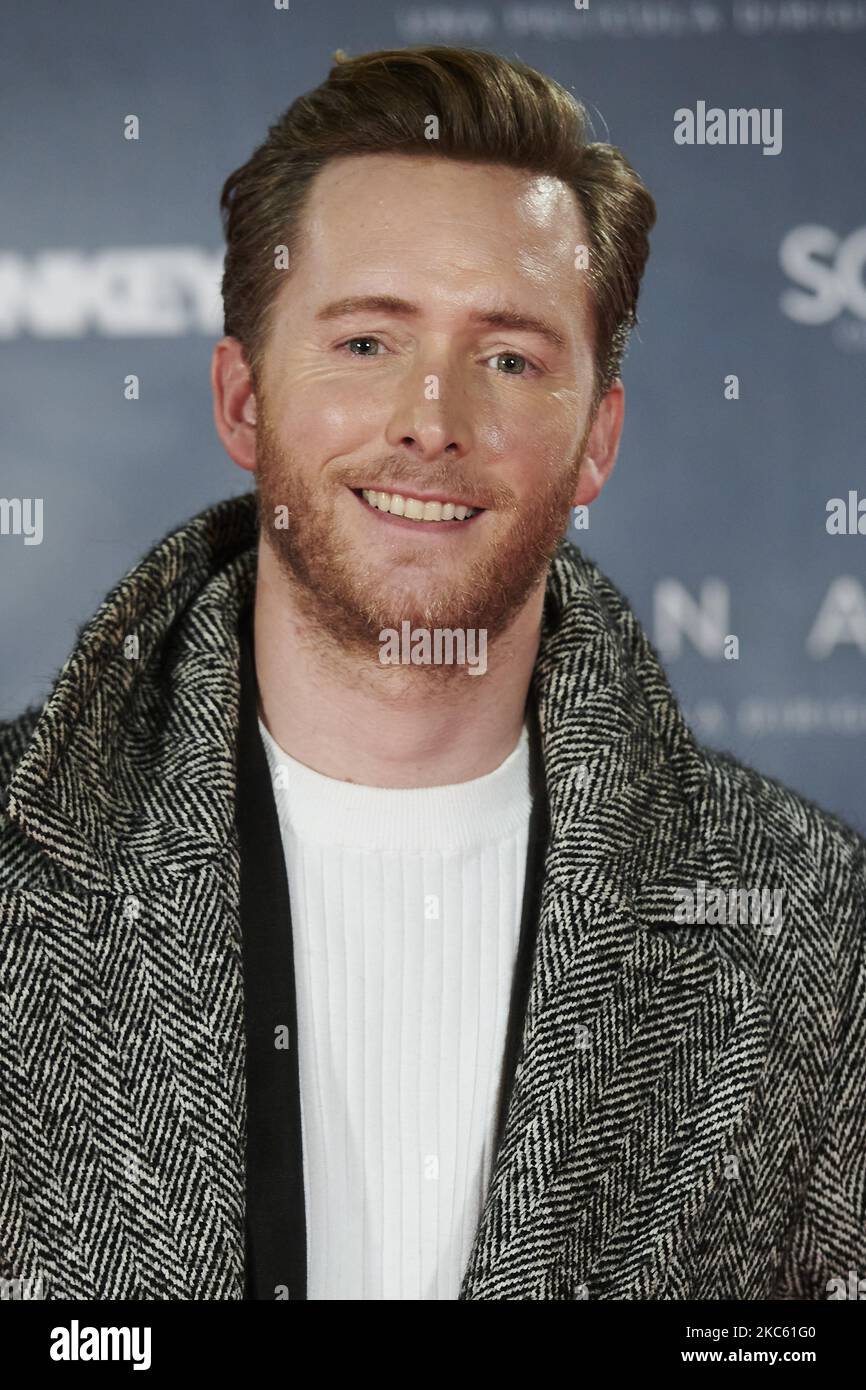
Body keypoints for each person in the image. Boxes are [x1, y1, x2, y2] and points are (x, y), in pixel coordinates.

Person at [1, 44, 864, 1303]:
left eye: (507, 358)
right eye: (362, 341)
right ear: (243, 398)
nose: (430, 419)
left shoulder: (816, 932)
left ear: (595, 442)